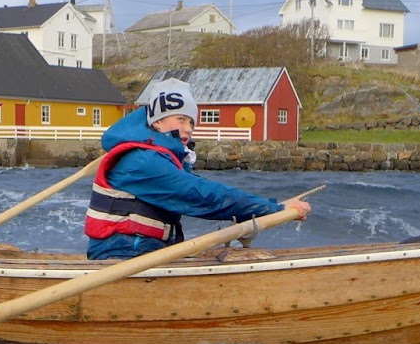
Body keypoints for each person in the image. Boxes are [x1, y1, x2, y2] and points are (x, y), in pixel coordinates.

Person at [85, 79, 309, 260]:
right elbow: (203, 196)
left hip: (146, 250)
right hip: (121, 254)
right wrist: (273, 208)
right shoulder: (144, 162)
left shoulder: (163, 157)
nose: (188, 129)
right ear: (157, 122)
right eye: (180, 119)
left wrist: (262, 209)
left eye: (191, 122)